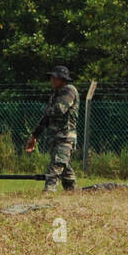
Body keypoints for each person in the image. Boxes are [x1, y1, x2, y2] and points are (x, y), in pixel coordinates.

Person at [25, 65, 80, 193]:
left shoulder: (69, 90)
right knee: (64, 169)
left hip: (65, 137)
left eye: (54, 77)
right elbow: (46, 118)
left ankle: (48, 194)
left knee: (56, 167)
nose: (52, 80)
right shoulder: (55, 94)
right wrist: (34, 136)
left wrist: (47, 110)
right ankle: (74, 194)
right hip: (56, 138)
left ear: (62, 79)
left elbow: (60, 109)